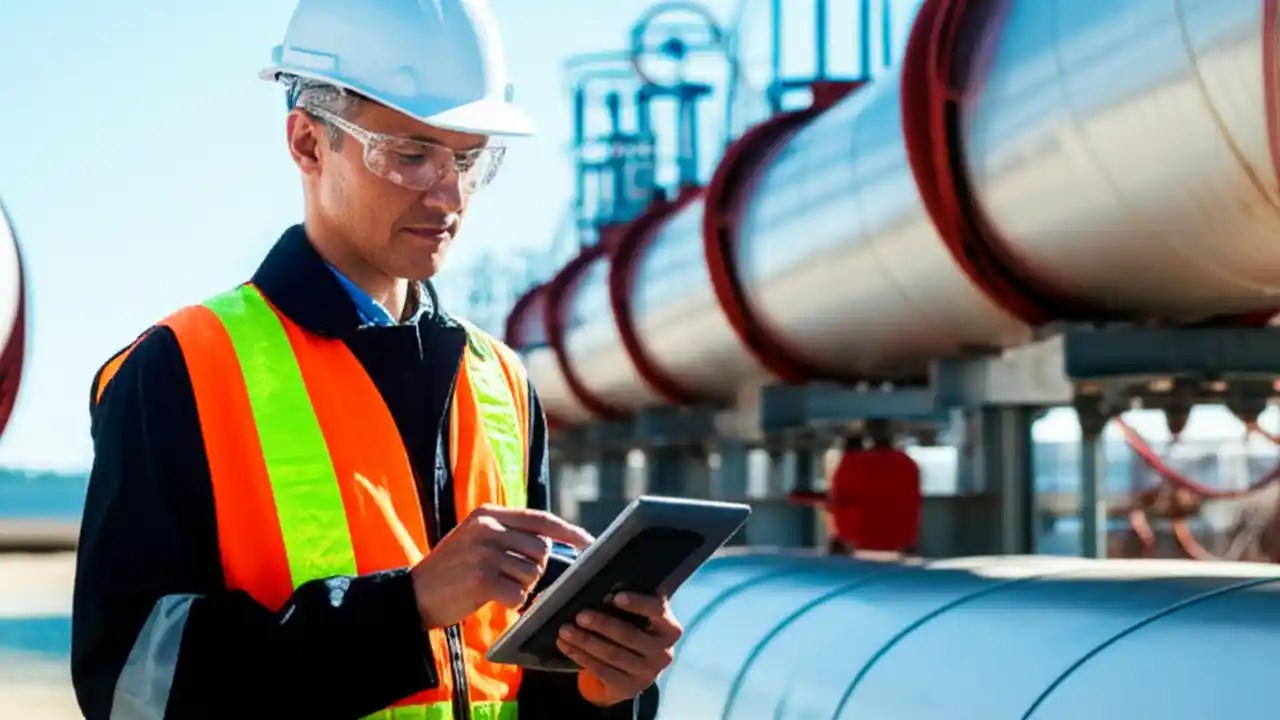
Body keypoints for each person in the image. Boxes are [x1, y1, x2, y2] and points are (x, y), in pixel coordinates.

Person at [70, 2, 681, 718]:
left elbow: (508, 683)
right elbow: (131, 686)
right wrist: (407, 607)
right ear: (307, 143)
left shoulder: (502, 385)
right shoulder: (178, 370)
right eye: (411, 153)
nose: (449, 193)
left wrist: (602, 688)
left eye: (468, 158)